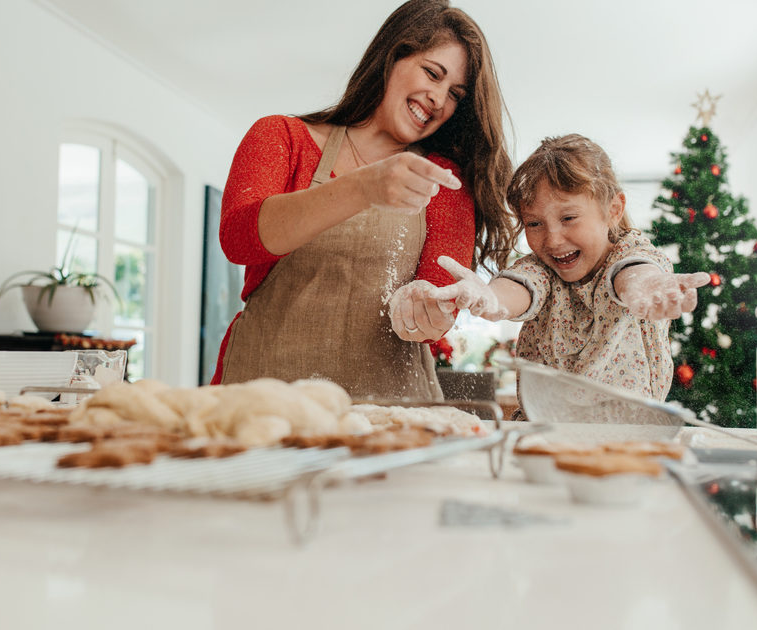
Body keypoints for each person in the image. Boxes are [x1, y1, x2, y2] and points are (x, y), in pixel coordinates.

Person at [213, 0, 518, 400]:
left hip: (391, 408)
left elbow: (437, 300)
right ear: (392, 56)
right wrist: (363, 187)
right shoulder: (283, 138)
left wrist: (424, 314)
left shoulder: (444, 180)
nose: (439, 100)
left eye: (455, 94)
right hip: (266, 397)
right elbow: (239, 238)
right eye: (432, 73)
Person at [392, 133, 710, 402]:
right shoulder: (543, 269)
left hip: (624, 434)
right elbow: (517, 288)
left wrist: (645, 286)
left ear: (613, 209)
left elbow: (632, 273)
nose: (553, 239)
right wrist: (489, 298)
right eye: (534, 223)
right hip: (541, 430)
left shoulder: (630, 254)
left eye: (568, 218)